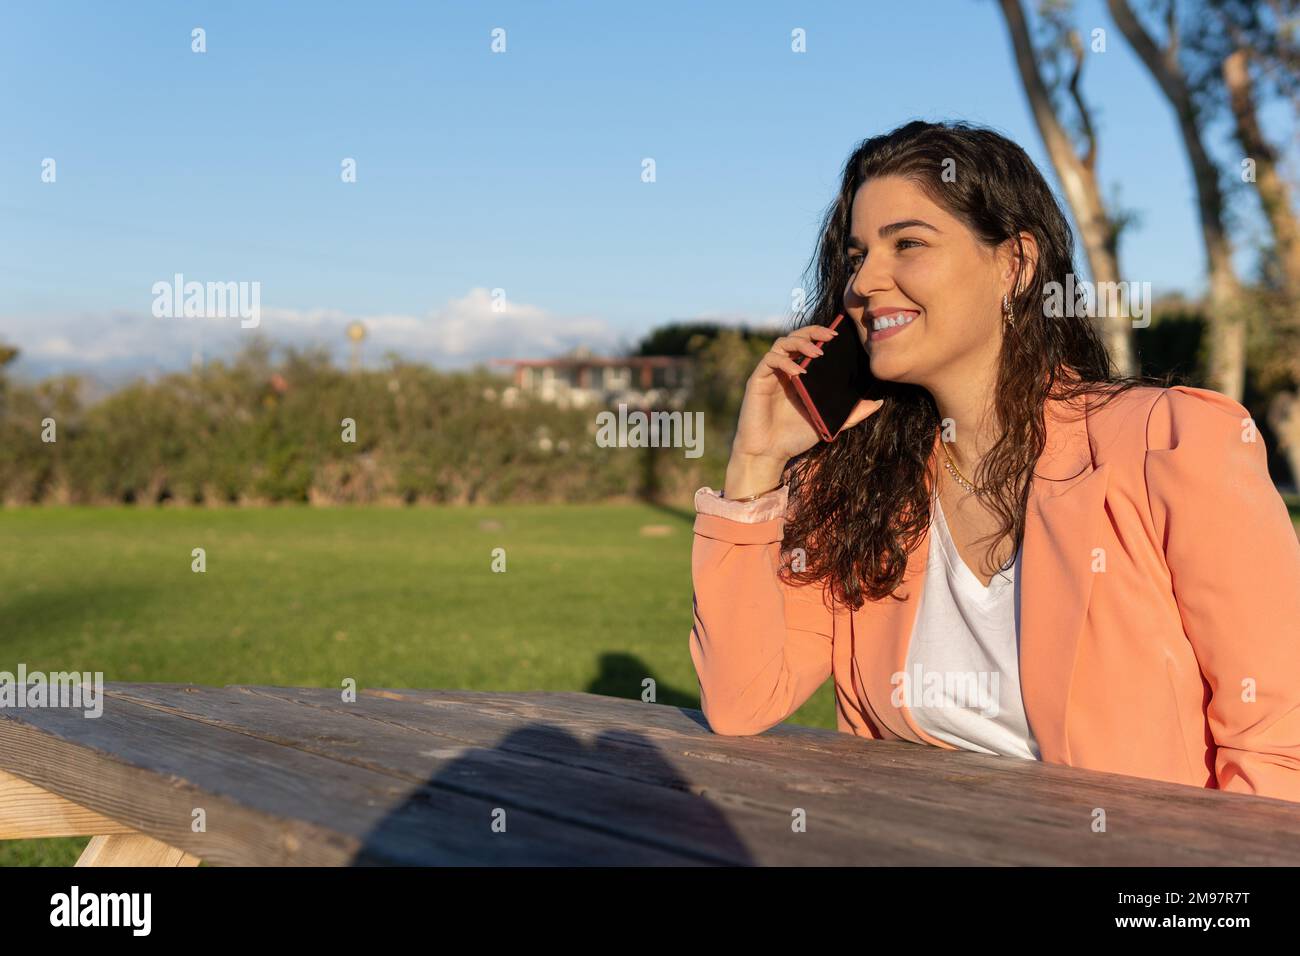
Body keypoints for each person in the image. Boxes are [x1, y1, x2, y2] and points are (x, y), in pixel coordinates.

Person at [688, 119, 1300, 803]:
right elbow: (740, 701)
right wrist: (754, 463)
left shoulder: (1171, 442)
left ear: (1016, 264)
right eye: (857, 254)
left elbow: (1277, 738)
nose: (864, 281)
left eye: (908, 244)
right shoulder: (861, 483)